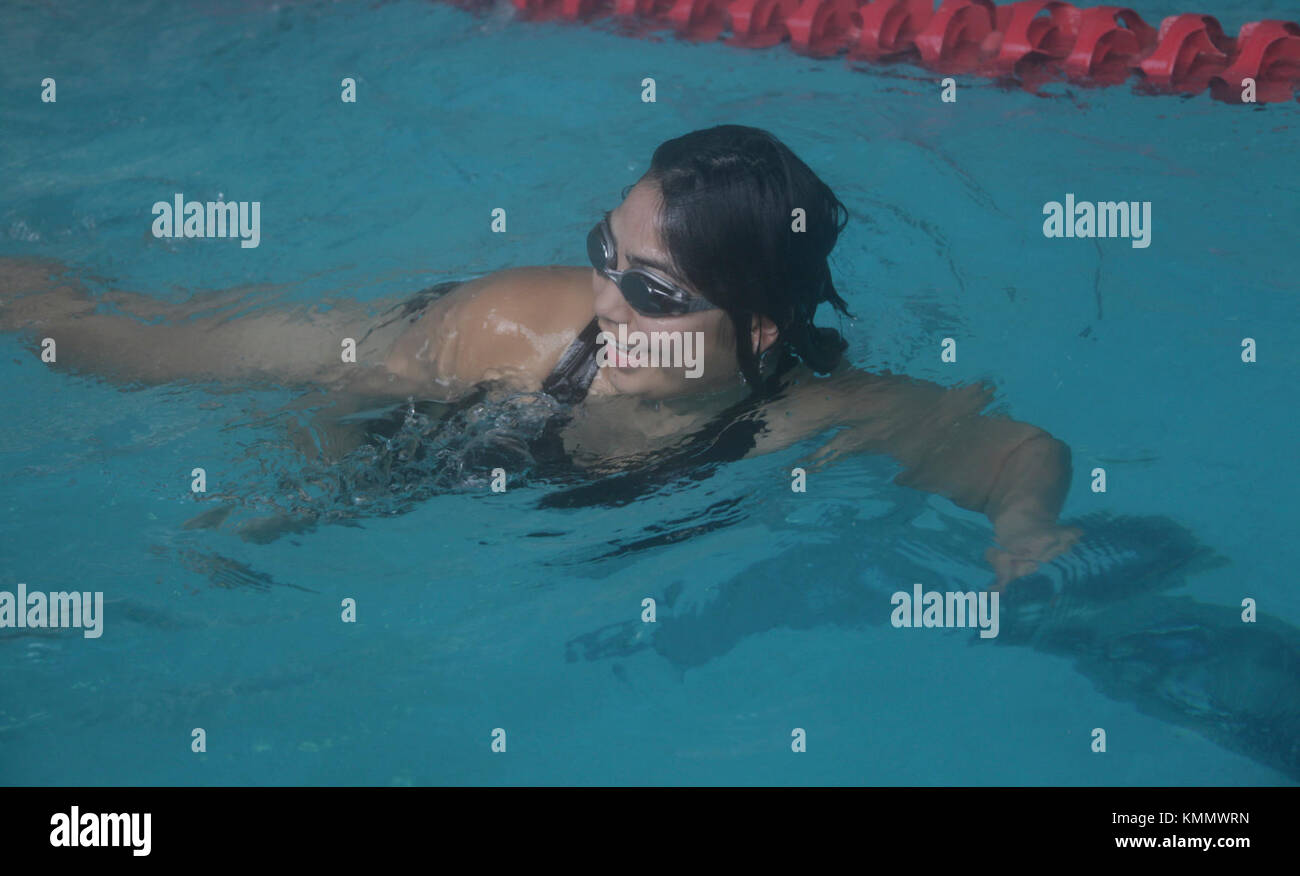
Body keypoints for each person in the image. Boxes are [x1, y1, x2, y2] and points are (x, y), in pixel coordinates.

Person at [0, 125, 1080, 586]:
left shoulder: (802, 412)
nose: (606, 301)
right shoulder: (529, 322)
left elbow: (1010, 452)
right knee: (120, 342)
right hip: (420, 356)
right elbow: (345, 392)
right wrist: (297, 495)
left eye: (650, 290)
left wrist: (1026, 522)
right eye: (601, 254)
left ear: (757, 331)